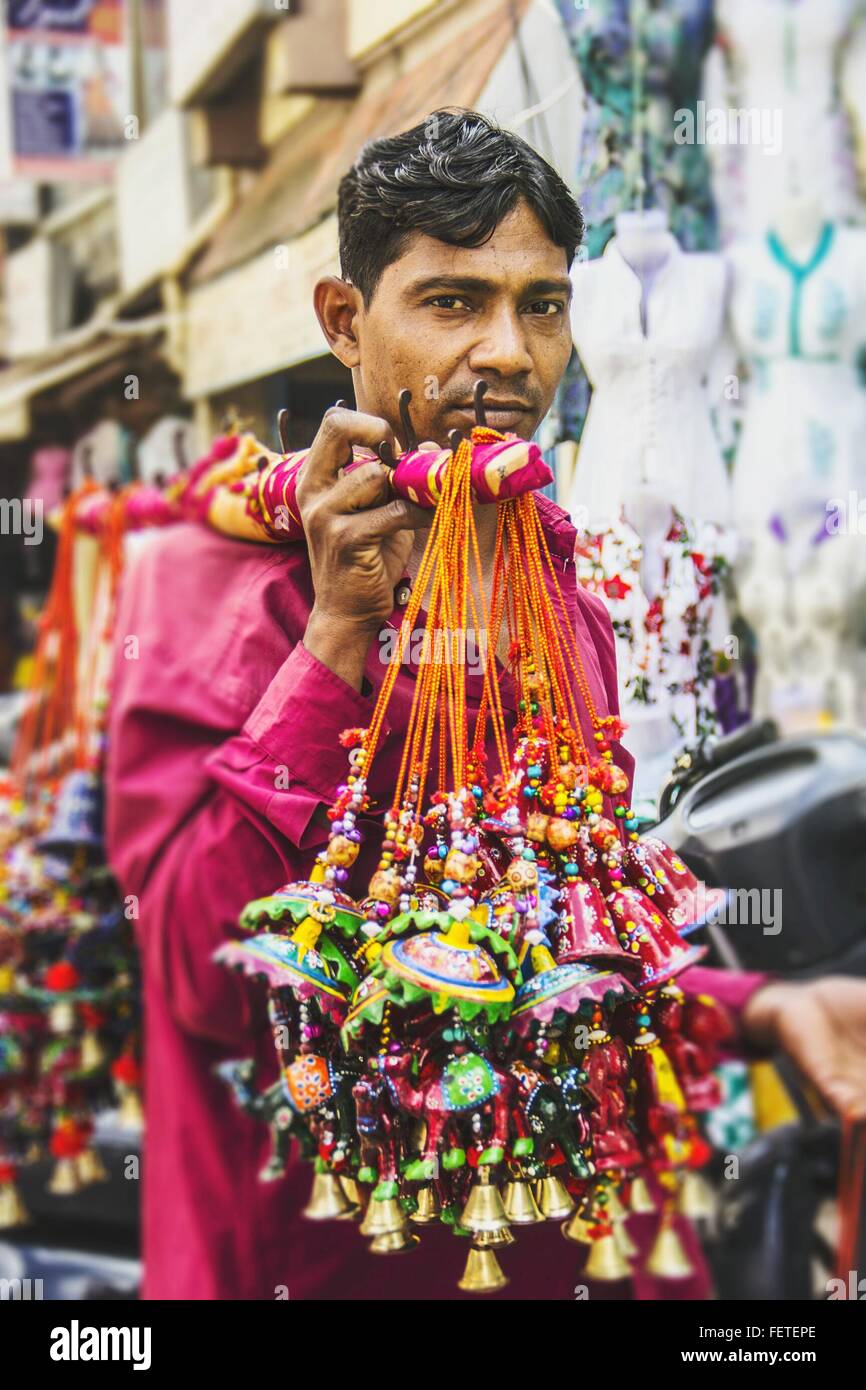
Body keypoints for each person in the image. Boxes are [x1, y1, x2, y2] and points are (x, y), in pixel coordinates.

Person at [106, 108, 866, 1301]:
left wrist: (758, 1006)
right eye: (453, 301)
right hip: (314, 1263)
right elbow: (202, 979)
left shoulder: (552, 583)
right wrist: (335, 640)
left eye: (542, 304)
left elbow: (547, 942)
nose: (510, 352)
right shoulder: (201, 587)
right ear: (344, 322)